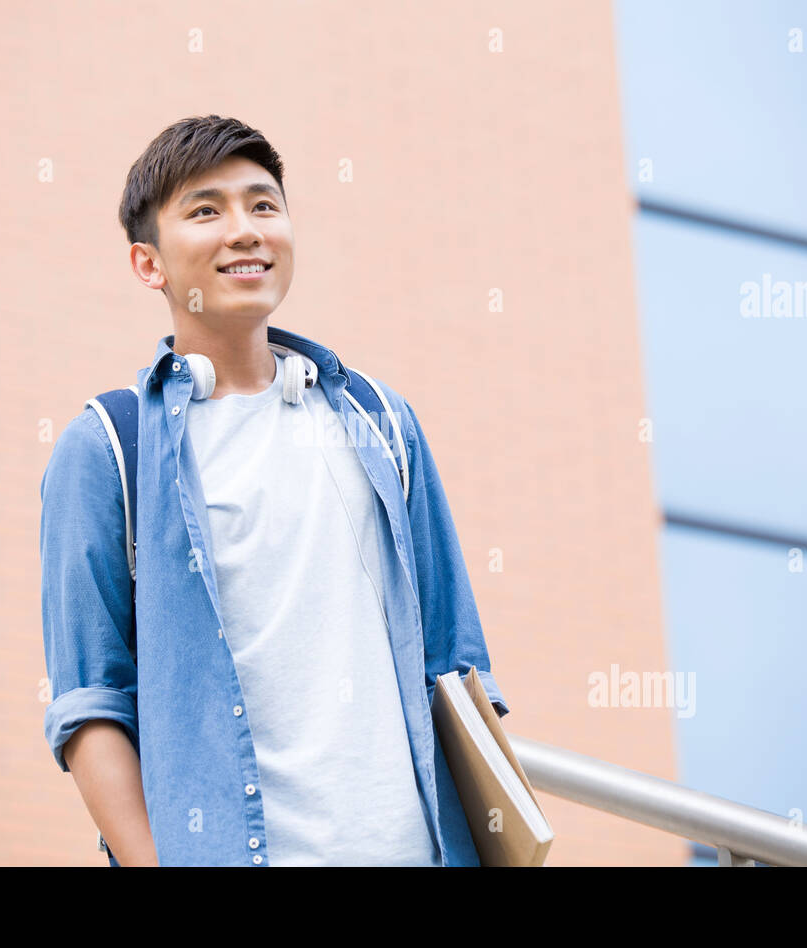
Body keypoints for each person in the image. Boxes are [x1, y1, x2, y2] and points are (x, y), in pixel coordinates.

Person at [40, 114, 510, 867]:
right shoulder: (108, 449)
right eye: (206, 210)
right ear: (147, 263)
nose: (246, 230)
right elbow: (90, 706)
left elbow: (455, 663)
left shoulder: (380, 423)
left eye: (264, 206)